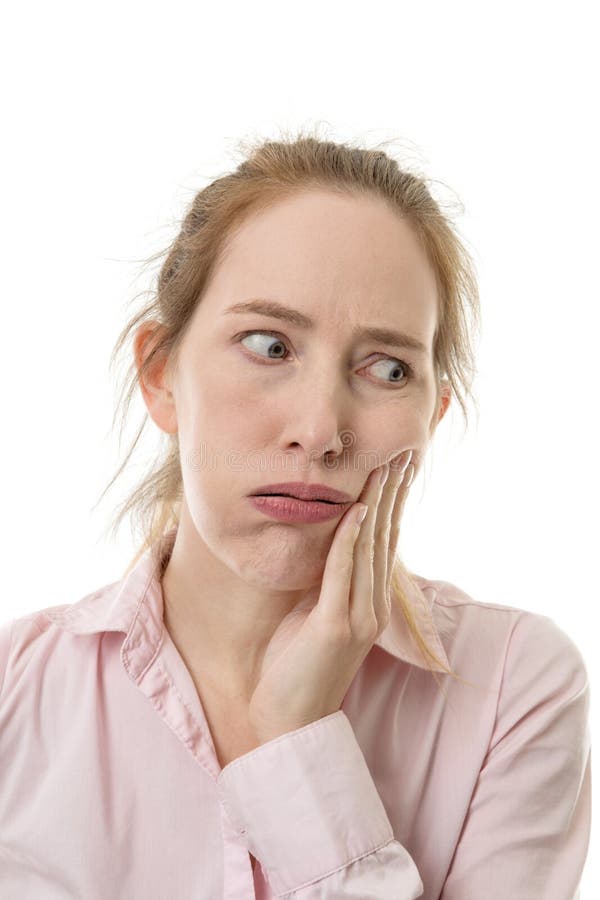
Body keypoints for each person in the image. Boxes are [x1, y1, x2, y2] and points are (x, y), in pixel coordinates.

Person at [0, 130, 591, 899]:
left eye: (387, 368)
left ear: (432, 416)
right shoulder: (18, 689)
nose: (320, 430)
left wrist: (300, 742)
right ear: (160, 375)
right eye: (269, 345)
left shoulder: (515, 686)